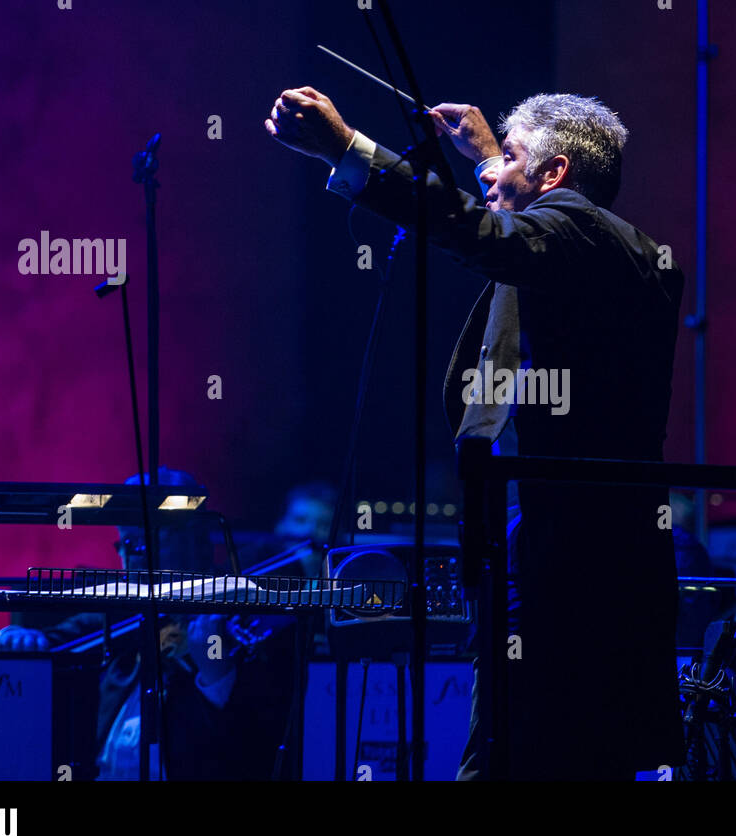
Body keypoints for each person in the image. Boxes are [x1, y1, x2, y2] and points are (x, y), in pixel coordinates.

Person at [266, 87, 685, 779]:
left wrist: (349, 150)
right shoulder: (581, 246)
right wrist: (497, 156)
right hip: (566, 545)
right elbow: (521, 249)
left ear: (554, 175)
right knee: (534, 751)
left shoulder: (580, 231)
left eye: (512, 160)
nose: (491, 175)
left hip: (570, 554)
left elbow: (485, 235)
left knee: (519, 755)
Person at [0, 468, 293, 779]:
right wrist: (11, 640)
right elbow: (44, 644)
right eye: (129, 544)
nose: (137, 557)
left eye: (154, 540)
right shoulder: (117, 614)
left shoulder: (237, 616)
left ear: (199, 542)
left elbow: (257, 745)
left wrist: (217, 674)